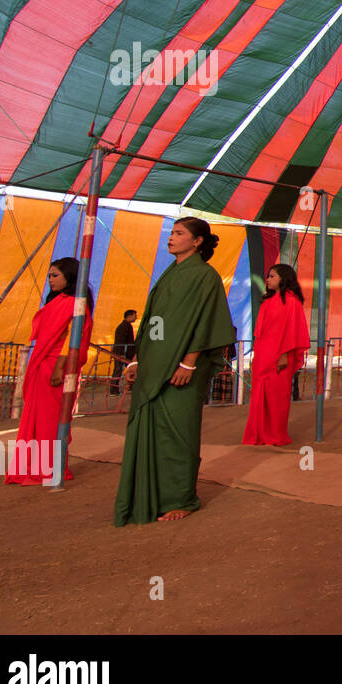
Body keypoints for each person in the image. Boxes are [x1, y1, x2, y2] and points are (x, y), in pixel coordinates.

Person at [115, 218, 236, 525]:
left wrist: (188, 362)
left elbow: (206, 321)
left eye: (179, 233)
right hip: (154, 365)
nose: (171, 237)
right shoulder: (170, 274)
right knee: (152, 430)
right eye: (172, 232)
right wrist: (139, 361)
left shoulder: (206, 276)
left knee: (179, 433)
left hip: (184, 369)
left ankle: (182, 499)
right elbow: (153, 323)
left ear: (197, 242)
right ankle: (149, 496)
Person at [5, 258, 94, 485]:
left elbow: (73, 339)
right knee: (34, 417)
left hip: (57, 366)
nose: (50, 280)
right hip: (42, 365)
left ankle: (49, 468)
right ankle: (31, 467)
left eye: (55, 275)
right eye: (49, 276)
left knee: (51, 420)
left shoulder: (76, 303)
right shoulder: (57, 301)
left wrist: (58, 367)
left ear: (70, 277)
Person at [242, 264, 309, 447]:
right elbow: (260, 333)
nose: (268, 279)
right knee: (258, 397)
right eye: (268, 276)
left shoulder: (292, 303)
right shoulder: (268, 302)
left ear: (283, 278)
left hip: (280, 357)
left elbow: (293, 331)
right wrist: (257, 356)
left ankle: (275, 435)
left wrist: (284, 355)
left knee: (277, 398)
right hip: (263, 356)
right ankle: (258, 435)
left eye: (272, 276)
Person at [110, 309, 137, 395]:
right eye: (134, 315)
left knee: (129, 369)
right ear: (129, 316)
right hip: (122, 353)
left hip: (122, 352)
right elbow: (122, 341)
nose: (136, 317)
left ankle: (130, 387)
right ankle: (113, 390)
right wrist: (122, 353)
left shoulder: (124, 325)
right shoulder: (125, 326)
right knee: (119, 370)